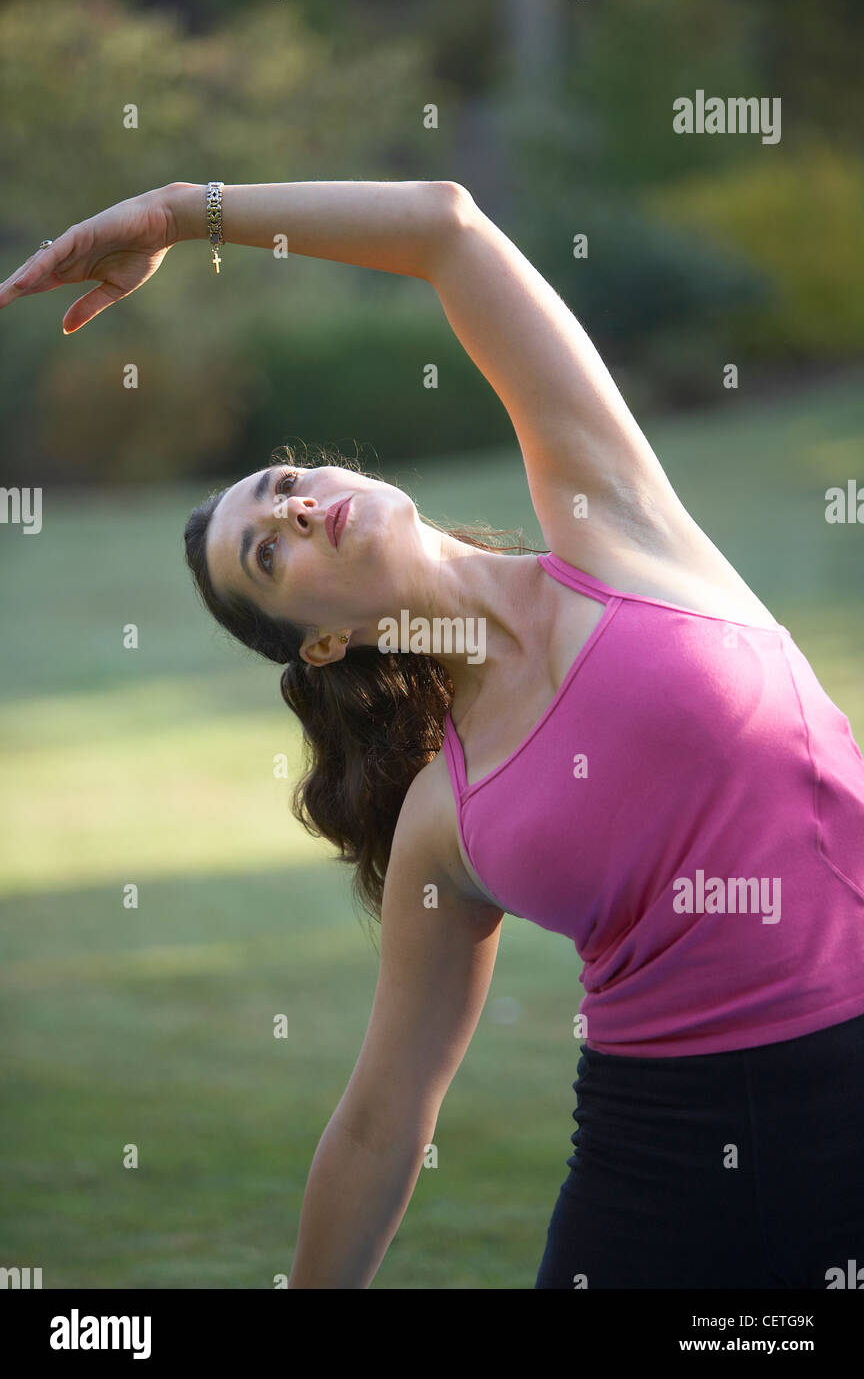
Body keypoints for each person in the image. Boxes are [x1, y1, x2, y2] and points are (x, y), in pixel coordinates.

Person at [3, 179, 863, 1290]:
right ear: (318, 645)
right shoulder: (443, 820)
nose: (299, 505)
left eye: (282, 483)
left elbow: (446, 229)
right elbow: (383, 1114)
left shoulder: (620, 531)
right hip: (664, 1157)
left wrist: (182, 213)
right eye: (270, 551)